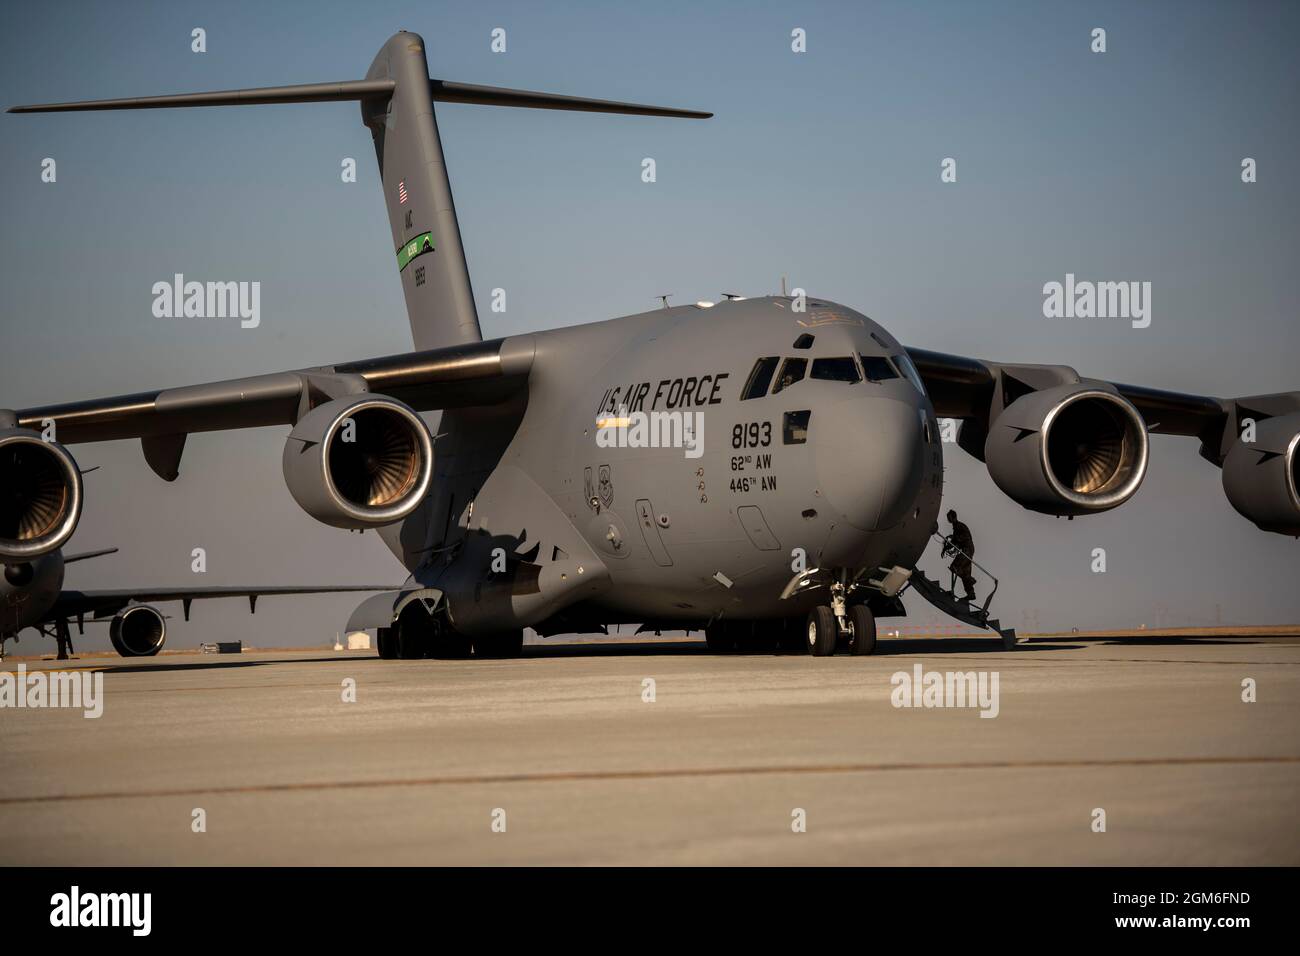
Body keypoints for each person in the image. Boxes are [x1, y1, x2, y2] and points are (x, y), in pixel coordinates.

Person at [943, 509, 977, 602]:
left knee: (955, 567)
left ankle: (969, 580)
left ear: (954, 517)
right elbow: (954, 542)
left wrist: (953, 538)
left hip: (967, 549)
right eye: (948, 518)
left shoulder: (960, 526)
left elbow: (965, 537)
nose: (948, 520)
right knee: (965, 572)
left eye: (949, 518)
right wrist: (946, 548)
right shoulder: (956, 527)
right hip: (967, 549)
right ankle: (971, 594)